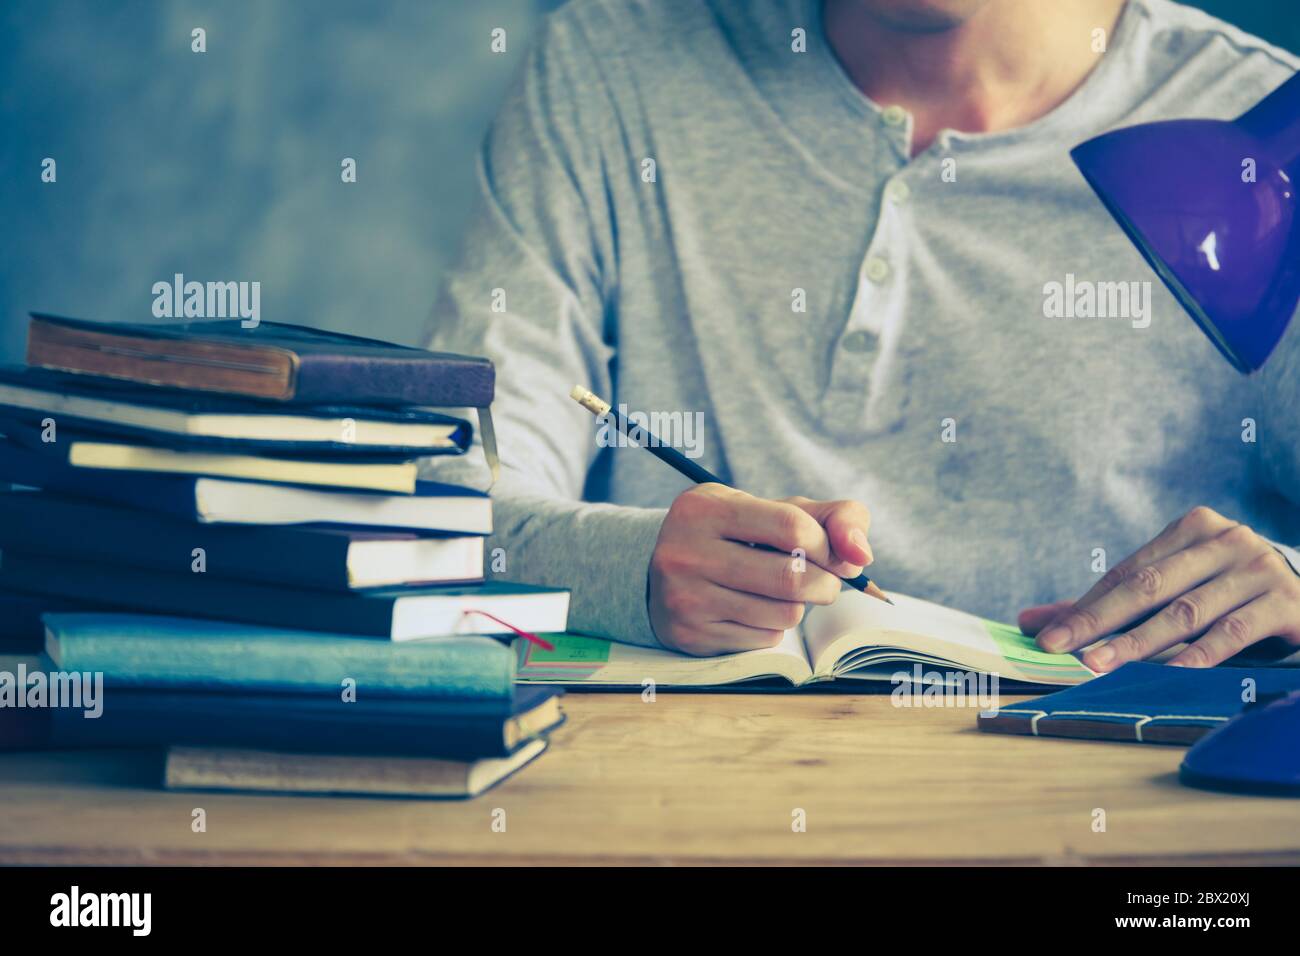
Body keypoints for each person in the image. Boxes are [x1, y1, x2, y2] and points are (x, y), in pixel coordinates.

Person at [427, 0, 1300, 669]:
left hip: (1106, 813)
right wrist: (628, 567)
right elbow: (448, 497)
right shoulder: (607, 67)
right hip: (683, 793)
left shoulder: (1266, 136)